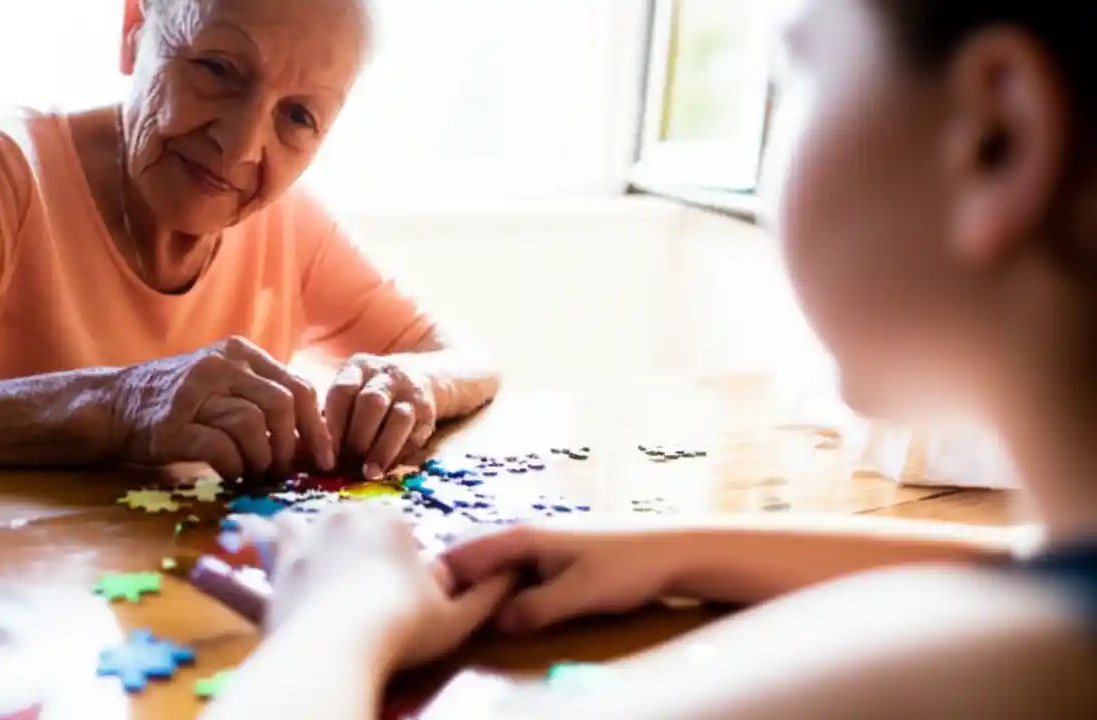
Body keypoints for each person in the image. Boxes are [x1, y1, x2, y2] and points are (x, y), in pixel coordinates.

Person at [204, 1, 1097, 717]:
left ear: (997, 138)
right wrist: (673, 550)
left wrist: (337, 624)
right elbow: (1011, 563)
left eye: (797, 68)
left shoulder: (1015, 660)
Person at [0, 0, 499, 481]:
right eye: (218, 69)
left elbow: (463, 356)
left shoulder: (289, 222)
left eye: (298, 115)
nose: (239, 147)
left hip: (179, 631)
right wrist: (118, 403)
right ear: (133, 27)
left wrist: (412, 381)